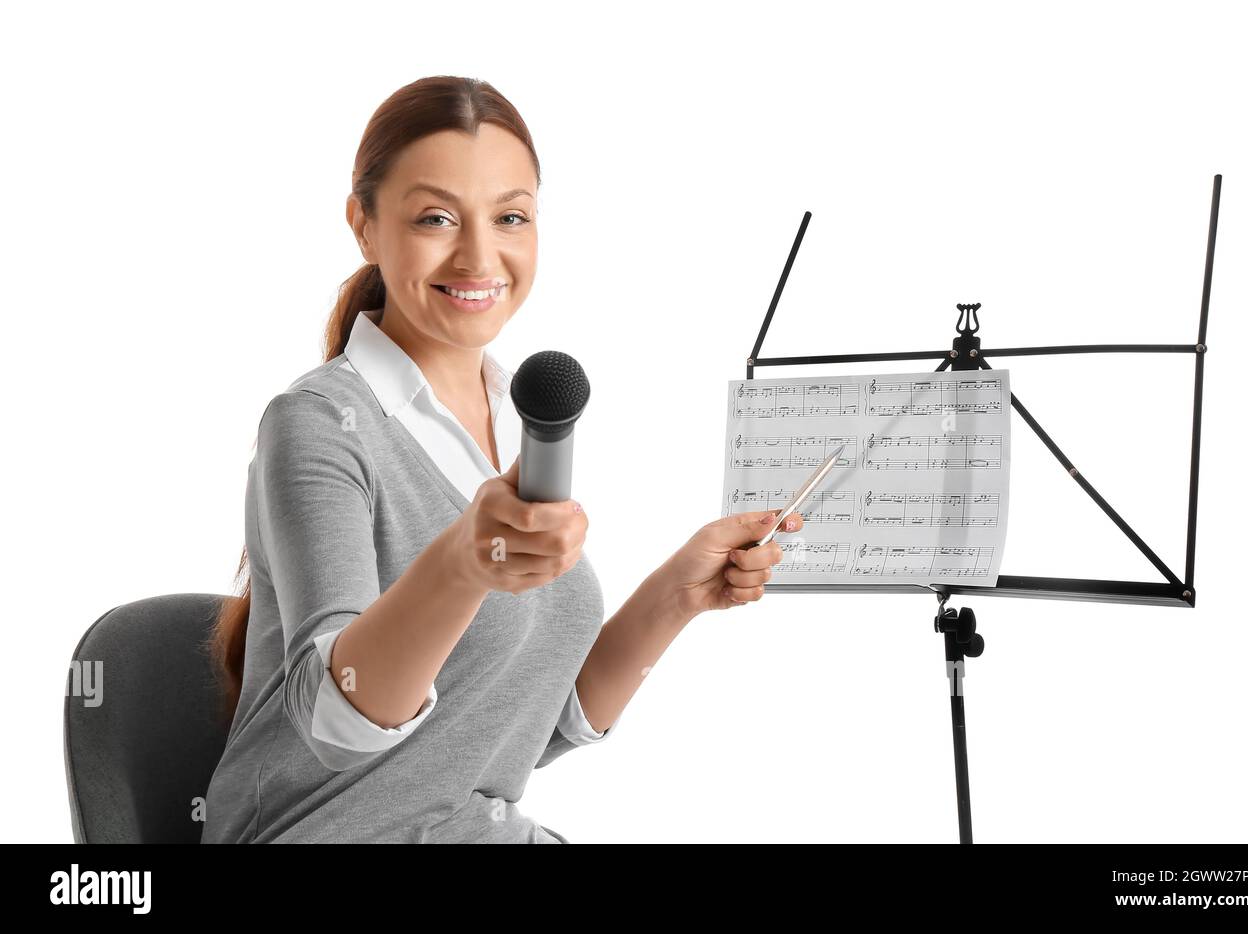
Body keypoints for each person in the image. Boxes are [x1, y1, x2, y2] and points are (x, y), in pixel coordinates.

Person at [201, 75, 802, 844]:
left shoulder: (515, 412)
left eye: (510, 216)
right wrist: (462, 562)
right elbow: (337, 721)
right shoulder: (319, 425)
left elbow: (523, 723)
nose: (480, 256)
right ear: (364, 225)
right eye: (436, 217)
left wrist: (677, 594)